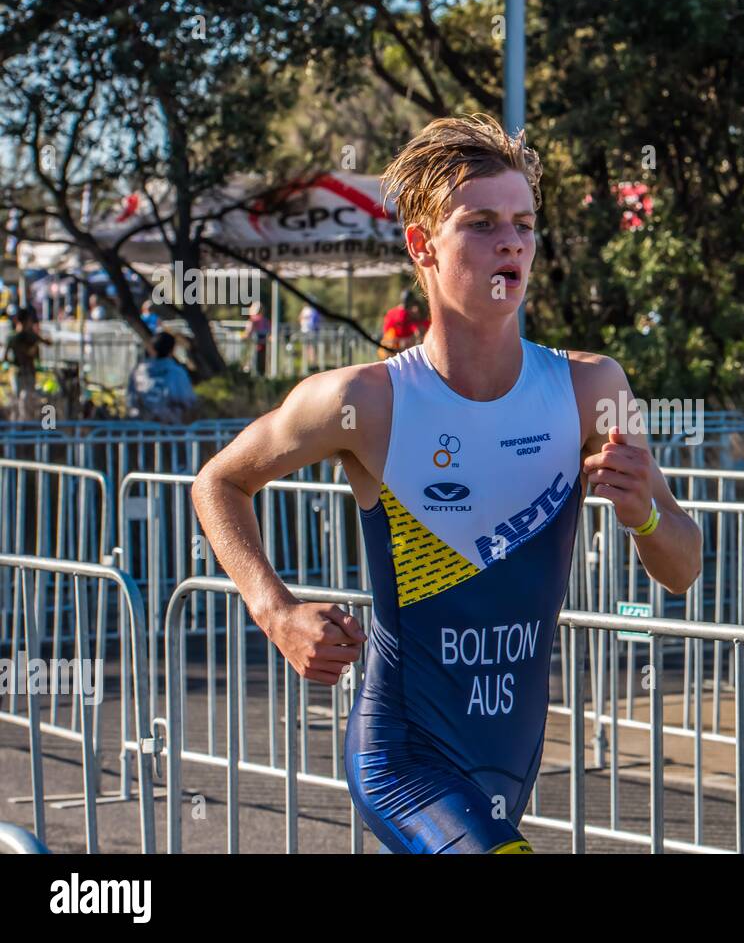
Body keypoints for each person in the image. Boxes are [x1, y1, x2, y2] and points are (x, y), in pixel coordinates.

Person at [192, 113, 702, 854]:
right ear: (422, 246)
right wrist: (276, 613)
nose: (511, 243)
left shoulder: (594, 388)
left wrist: (647, 512)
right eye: (482, 223)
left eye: (524, 224)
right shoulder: (364, 401)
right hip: (404, 754)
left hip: (511, 752)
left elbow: (683, 570)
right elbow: (219, 482)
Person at [126, 331, 197, 424]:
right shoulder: (176, 372)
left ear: (152, 348)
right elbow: (187, 400)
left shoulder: (138, 372)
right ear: (172, 350)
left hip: (140, 428)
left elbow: (131, 400)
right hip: (170, 427)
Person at [2, 307, 51, 420]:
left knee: (24, 400)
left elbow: (47, 343)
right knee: (23, 400)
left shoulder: (25, 336)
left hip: (24, 372)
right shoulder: (16, 338)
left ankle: (24, 423)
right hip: (21, 373)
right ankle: (22, 423)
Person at [378, 288, 429, 358]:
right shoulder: (396, 313)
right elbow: (387, 334)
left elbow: (419, 331)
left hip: (398, 348)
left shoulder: (394, 313)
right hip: (393, 348)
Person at [240, 301, 271, 375]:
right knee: (261, 367)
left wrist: (241, 337)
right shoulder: (266, 321)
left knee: (254, 365)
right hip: (263, 347)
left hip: (255, 348)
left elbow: (248, 333)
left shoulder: (253, 321)